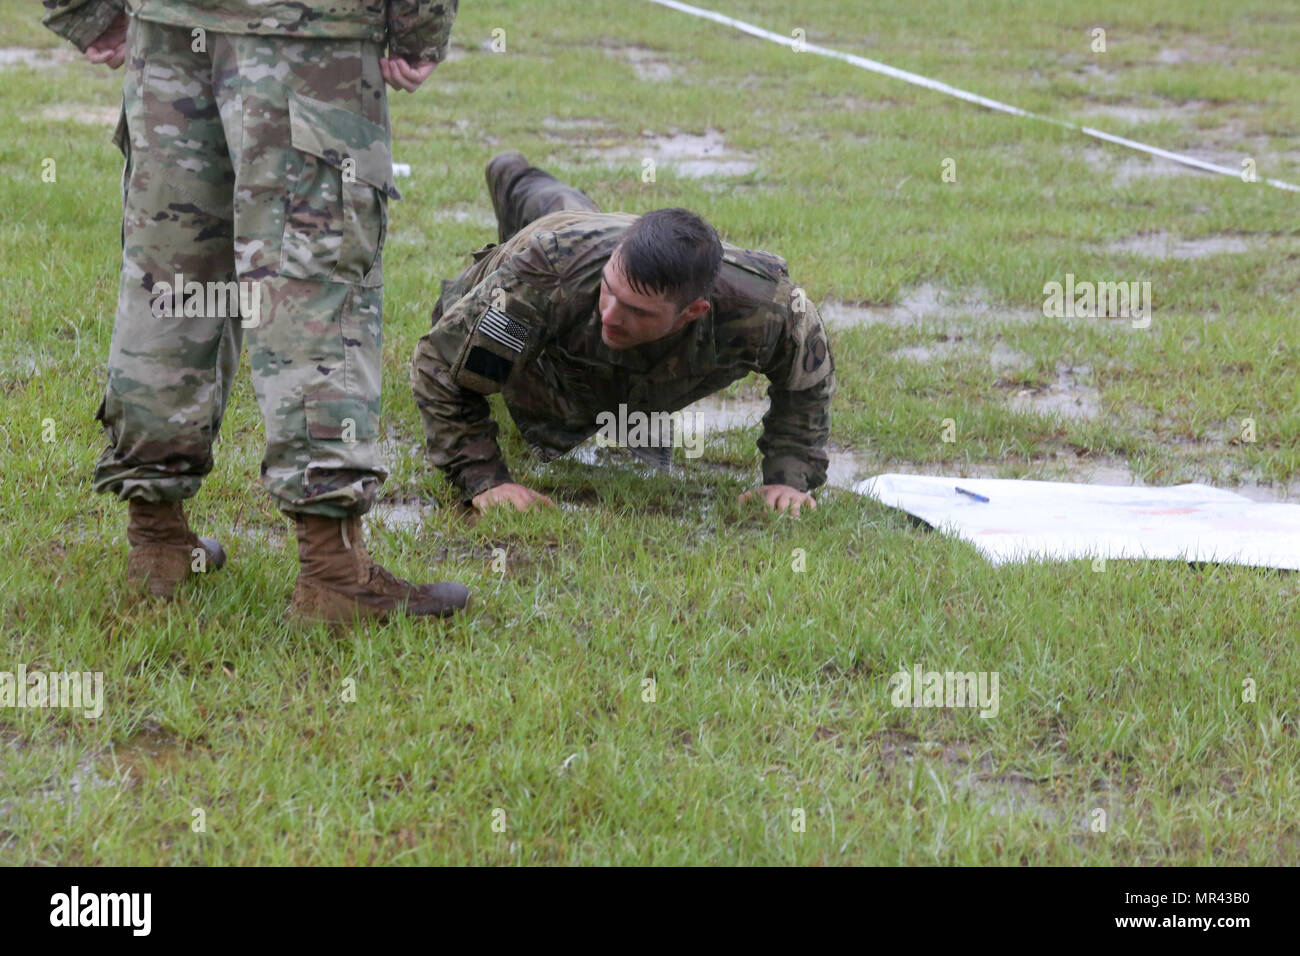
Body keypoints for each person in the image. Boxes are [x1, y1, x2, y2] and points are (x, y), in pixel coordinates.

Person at [41, 0, 470, 623]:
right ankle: (333, 572)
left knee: (170, 274)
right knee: (313, 284)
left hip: (169, 26)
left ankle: (157, 543)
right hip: (307, 31)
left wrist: (86, 8)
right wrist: (419, 27)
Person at [412, 152, 835, 516]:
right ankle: (511, 170)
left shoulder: (773, 309)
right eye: (609, 291)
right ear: (613, 262)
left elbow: (806, 385)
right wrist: (484, 479)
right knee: (547, 215)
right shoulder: (541, 276)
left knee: (577, 225)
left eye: (636, 310)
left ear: (694, 311)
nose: (611, 314)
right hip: (558, 245)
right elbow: (439, 365)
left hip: (595, 246)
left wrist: (789, 478)